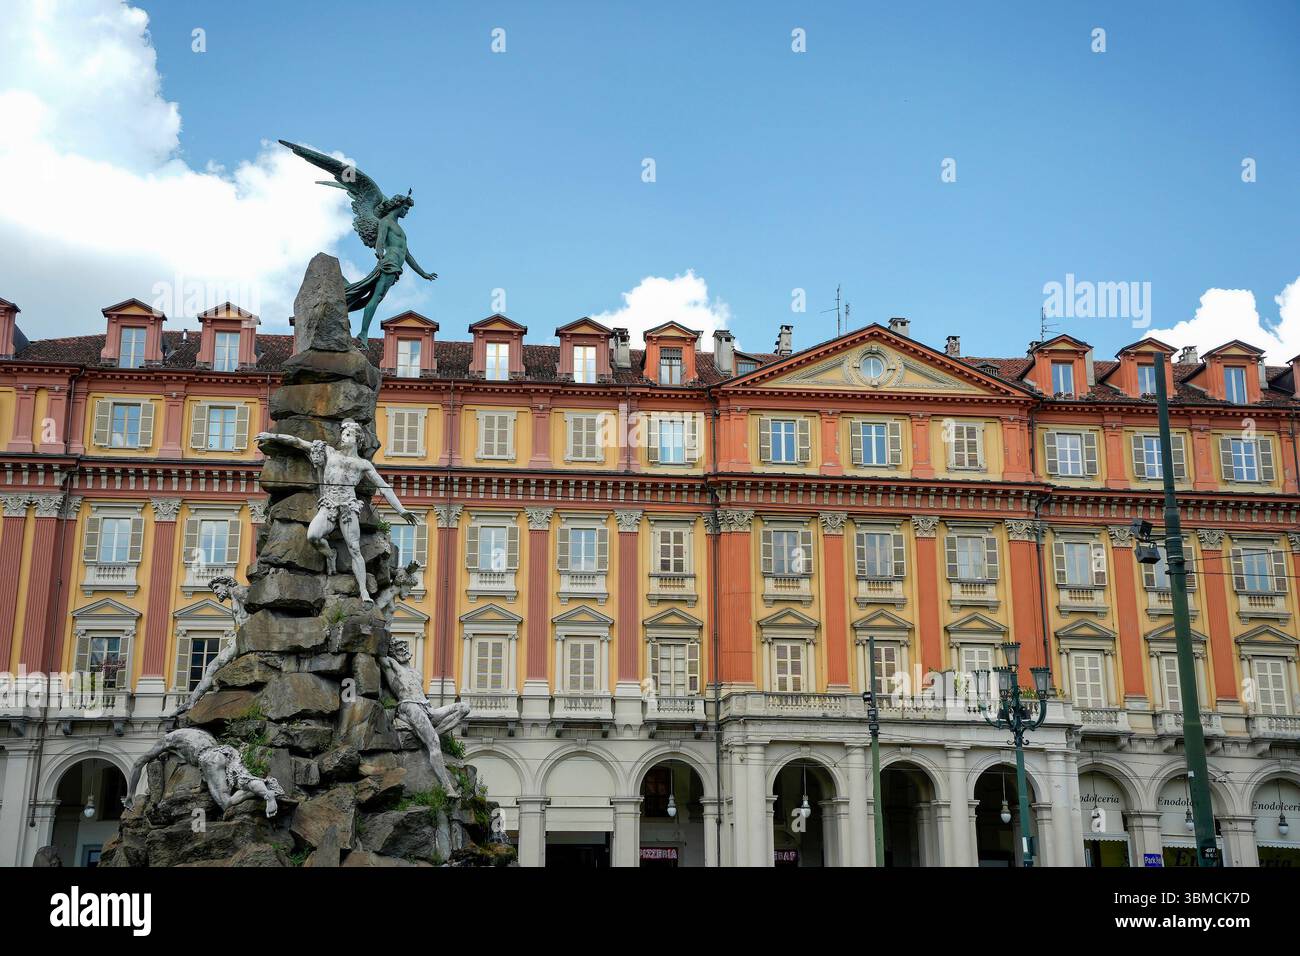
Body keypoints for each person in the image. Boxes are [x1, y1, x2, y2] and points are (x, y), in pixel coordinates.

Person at [256, 420, 417, 603]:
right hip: (329, 503)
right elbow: (298, 443)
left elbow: (384, 487)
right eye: (343, 434)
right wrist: (272, 436)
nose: (344, 437)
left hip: (348, 506)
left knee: (355, 550)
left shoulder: (363, 464)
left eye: (348, 434)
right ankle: (330, 554)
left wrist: (401, 510)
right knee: (313, 536)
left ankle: (364, 591)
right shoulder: (329, 452)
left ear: (357, 439)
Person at [124, 728, 284, 817]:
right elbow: (201, 767)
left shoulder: (167, 740)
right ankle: (264, 789)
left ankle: (263, 793)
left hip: (208, 759)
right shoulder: (197, 733)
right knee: (242, 778)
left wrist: (130, 794)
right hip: (226, 751)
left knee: (226, 803)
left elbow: (139, 763)